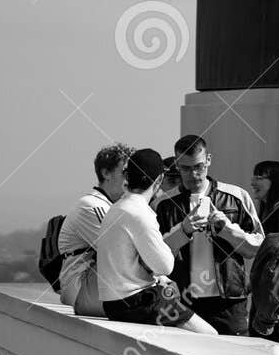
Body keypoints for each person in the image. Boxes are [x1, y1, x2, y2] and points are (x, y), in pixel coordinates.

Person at [155, 134, 264, 336]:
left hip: (229, 303)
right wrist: (183, 230)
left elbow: (256, 249)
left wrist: (227, 229)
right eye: (185, 168)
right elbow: (155, 257)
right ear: (177, 165)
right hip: (183, 303)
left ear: (209, 160)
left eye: (198, 167)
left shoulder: (236, 197)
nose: (193, 174)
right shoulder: (164, 204)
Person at [97, 148, 216, 333]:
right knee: (210, 335)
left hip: (113, 304)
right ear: (159, 180)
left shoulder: (116, 208)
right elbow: (165, 266)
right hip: (138, 302)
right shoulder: (140, 212)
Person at [57, 143, 130, 317]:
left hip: (91, 287)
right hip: (81, 289)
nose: (130, 179)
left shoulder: (109, 206)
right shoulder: (93, 207)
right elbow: (120, 254)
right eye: (125, 172)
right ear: (106, 173)